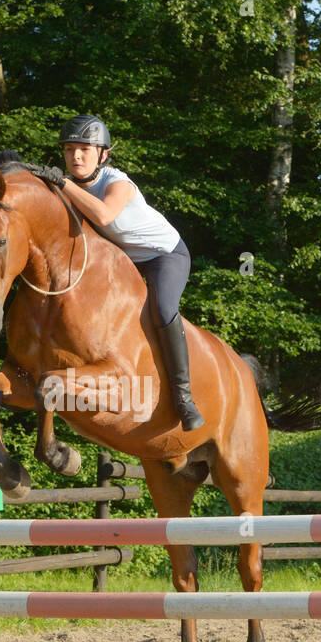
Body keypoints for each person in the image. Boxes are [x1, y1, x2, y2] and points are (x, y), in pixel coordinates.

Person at [42, 114, 204, 431]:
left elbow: (103, 215)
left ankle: (184, 398)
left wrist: (61, 183)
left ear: (102, 154)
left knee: (163, 308)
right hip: (123, 260)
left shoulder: (117, 182)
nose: (75, 156)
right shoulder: (68, 185)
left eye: (84, 149)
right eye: (69, 149)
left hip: (164, 255)